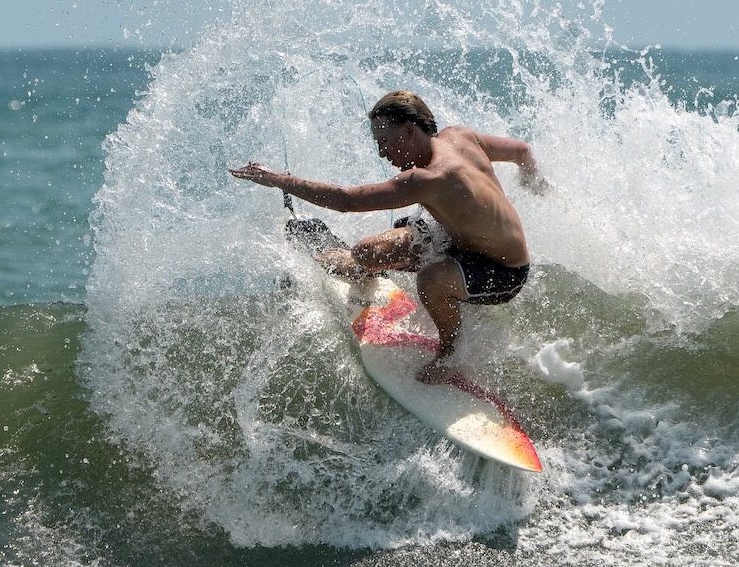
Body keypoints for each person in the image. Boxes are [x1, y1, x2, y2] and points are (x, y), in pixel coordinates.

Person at [229, 90, 547, 383]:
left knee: (430, 280)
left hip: (503, 271)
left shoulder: (429, 177)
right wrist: (537, 184)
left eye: (385, 140)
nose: (383, 153)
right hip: (452, 237)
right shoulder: (458, 136)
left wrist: (278, 180)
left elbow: (347, 201)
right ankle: (366, 267)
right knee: (366, 254)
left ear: (410, 129)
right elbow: (522, 150)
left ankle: (451, 354)